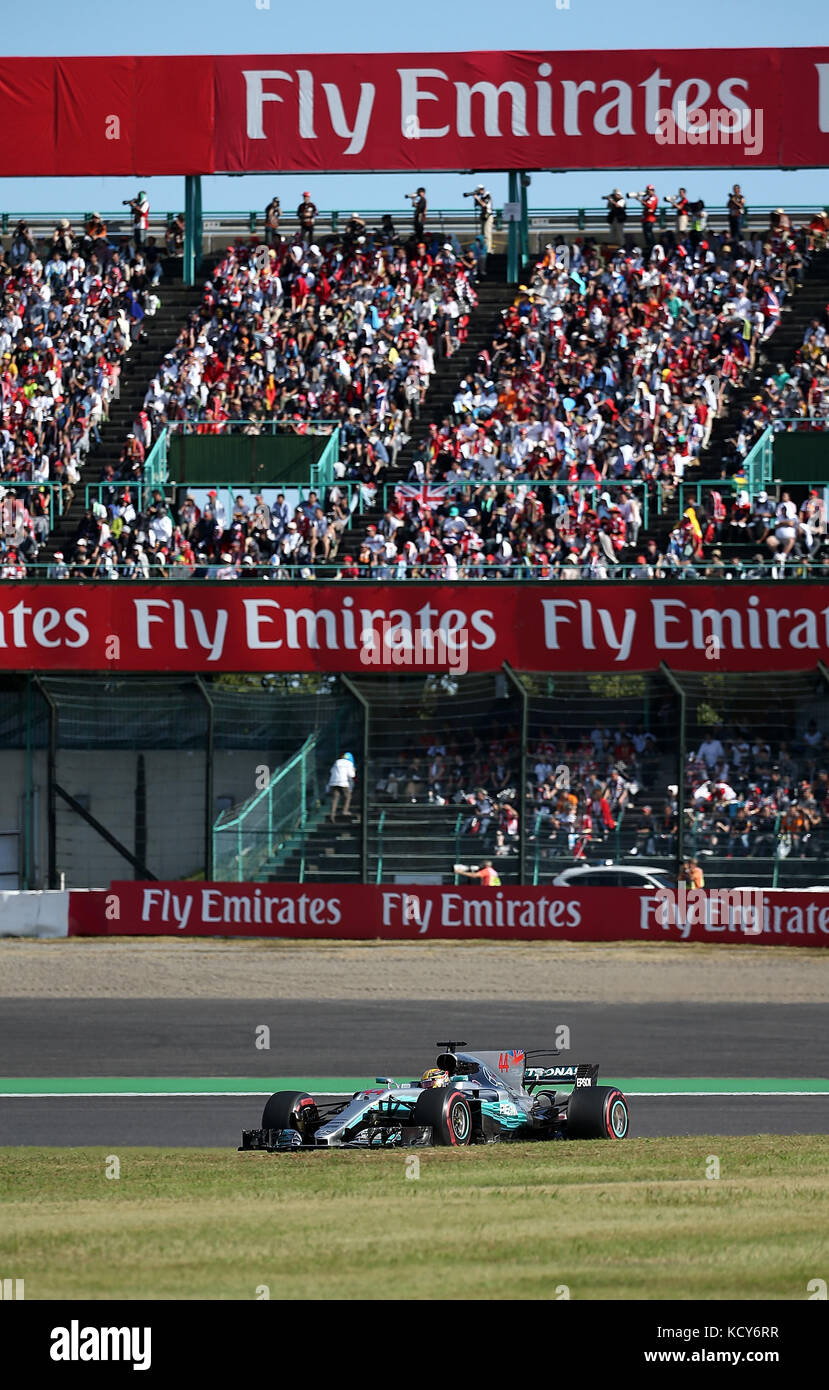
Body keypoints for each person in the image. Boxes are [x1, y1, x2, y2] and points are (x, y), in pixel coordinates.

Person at [328, 751, 356, 822]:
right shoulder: (349, 763)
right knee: (348, 796)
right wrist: (354, 770)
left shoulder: (337, 762)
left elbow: (331, 771)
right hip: (343, 782)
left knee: (335, 798)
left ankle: (332, 814)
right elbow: (352, 775)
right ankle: (345, 811)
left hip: (333, 782)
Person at [631, 185, 658, 252]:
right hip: (646, 218)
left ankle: (652, 246)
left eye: (649, 191)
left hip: (650, 218)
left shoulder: (653, 198)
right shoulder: (648, 197)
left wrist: (640, 199)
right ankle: (649, 246)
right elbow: (644, 203)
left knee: (649, 233)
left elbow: (648, 205)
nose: (648, 192)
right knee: (646, 233)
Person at [471, 186, 494, 254]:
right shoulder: (481, 197)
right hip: (483, 216)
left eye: (481, 189)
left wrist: (477, 198)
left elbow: (484, 205)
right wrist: (475, 199)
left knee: (487, 234)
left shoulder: (487, 195)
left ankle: (488, 250)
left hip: (488, 216)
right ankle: (483, 249)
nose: (480, 191)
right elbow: (476, 205)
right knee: (482, 235)